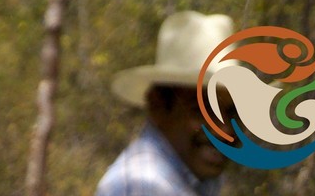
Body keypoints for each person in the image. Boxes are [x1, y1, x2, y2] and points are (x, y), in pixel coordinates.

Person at [95, 11, 236, 196]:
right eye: (204, 110)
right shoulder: (145, 185)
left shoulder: (193, 181)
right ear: (157, 105)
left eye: (233, 112)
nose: (226, 130)